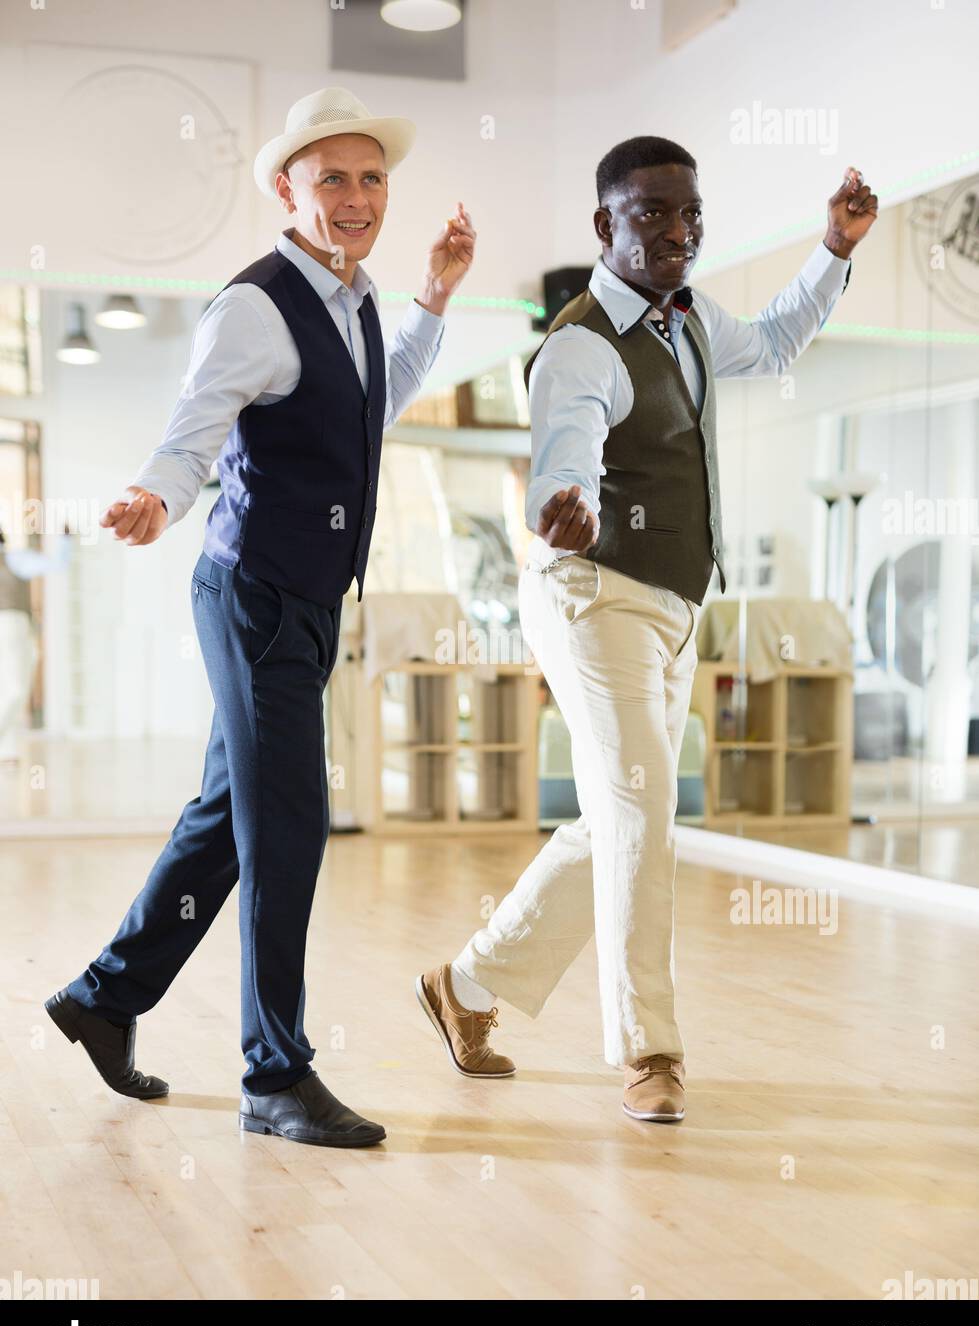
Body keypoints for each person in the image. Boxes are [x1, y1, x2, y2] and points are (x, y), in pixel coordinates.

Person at [45, 86, 475, 1148]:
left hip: (307, 600)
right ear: (288, 189)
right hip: (252, 596)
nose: (358, 195)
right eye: (333, 177)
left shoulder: (358, 298)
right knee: (286, 825)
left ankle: (104, 998)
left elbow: (380, 395)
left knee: (225, 817)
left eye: (372, 177)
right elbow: (194, 428)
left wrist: (431, 293)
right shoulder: (255, 303)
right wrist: (155, 494)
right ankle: (273, 1074)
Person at [417, 137, 877, 1123]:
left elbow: (779, 340)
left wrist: (832, 247)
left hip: (676, 605)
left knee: (618, 817)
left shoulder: (694, 317)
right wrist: (563, 503)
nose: (678, 233)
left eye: (689, 213)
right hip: (595, 598)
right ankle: (649, 1050)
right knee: (639, 819)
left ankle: (465, 985)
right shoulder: (578, 344)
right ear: (603, 227)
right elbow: (560, 460)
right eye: (653, 215)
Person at [0, 526, 71, 765]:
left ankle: (6, 751)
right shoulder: (15, 559)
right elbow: (57, 564)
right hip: (11, 625)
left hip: (15, 625)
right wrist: (65, 540)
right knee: (15, 688)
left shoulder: (13, 559)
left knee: (8, 688)